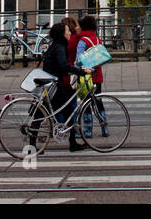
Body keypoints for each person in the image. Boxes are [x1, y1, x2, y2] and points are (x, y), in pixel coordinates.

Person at [41, 22, 92, 152]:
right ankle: (72, 143)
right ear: (62, 34)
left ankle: (72, 143)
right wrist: (81, 71)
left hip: (51, 83)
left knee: (49, 111)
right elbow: (63, 65)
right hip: (54, 85)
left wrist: (68, 71)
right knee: (53, 111)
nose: (70, 33)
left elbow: (57, 65)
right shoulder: (60, 47)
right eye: (67, 31)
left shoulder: (56, 45)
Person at [75, 14, 107, 139]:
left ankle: (88, 130)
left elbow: (78, 60)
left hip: (86, 77)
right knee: (98, 102)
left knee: (86, 103)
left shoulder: (83, 41)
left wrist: (74, 68)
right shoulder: (97, 39)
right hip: (97, 75)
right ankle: (104, 127)